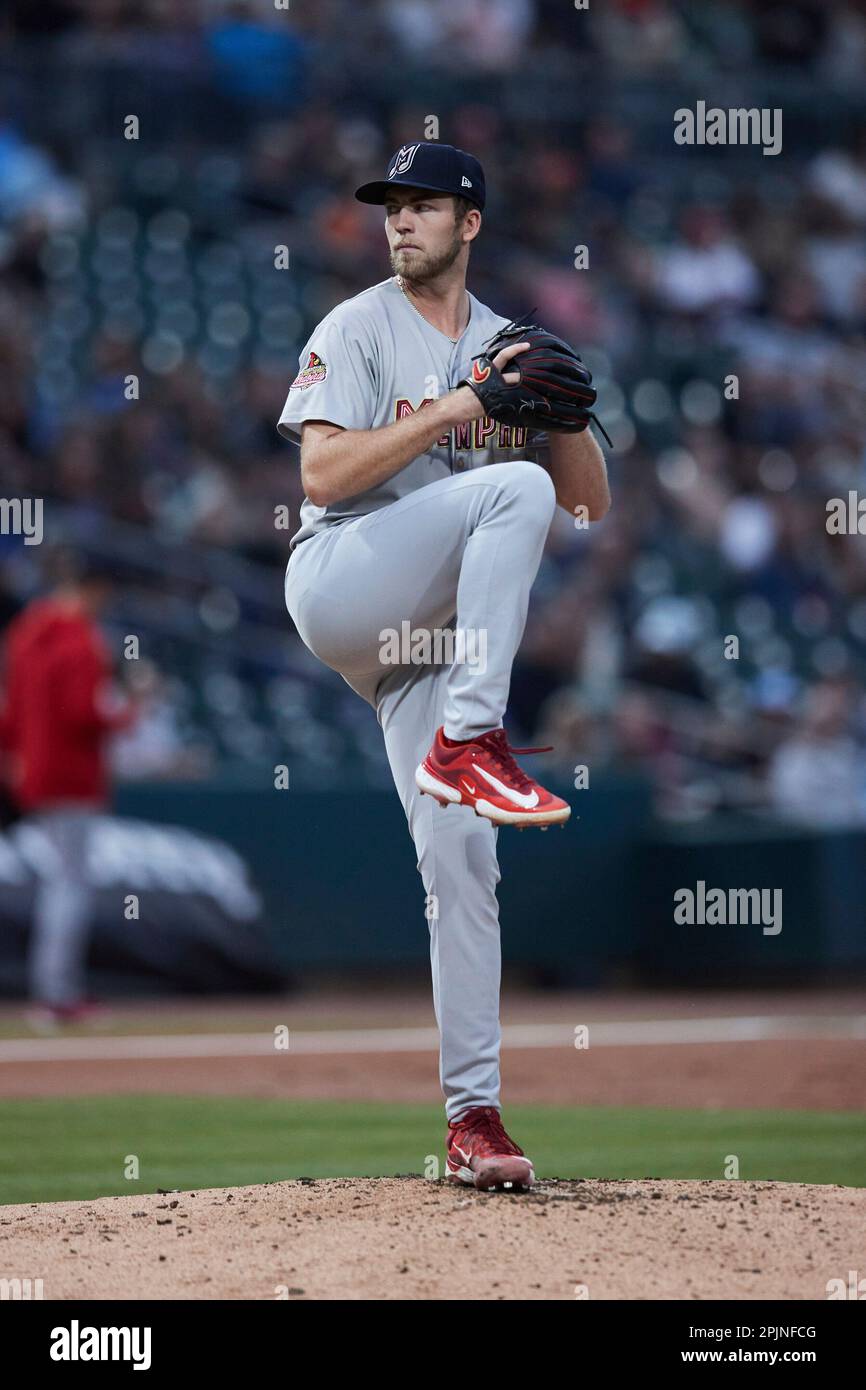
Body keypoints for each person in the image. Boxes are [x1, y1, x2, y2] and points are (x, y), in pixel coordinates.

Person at [278, 142, 610, 1189]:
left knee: (463, 864)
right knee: (505, 494)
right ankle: (474, 736)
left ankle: (472, 1119)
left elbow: (589, 504)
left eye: (423, 205)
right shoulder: (357, 324)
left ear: (469, 222)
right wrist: (468, 407)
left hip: (425, 640)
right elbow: (322, 472)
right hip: (341, 577)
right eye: (392, 206)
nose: (400, 221)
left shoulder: (506, 341)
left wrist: (556, 415)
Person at [0, 557, 136, 1027]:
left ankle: (53, 990)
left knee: (59, 881)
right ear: (93, 589)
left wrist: (14, 759)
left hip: (31, 773)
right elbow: (83, 715)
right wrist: (130, 712)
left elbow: (10, 711)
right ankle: (56, 994)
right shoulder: (81, 639)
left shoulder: (24, 631)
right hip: (72, 777)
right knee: (69, 884)